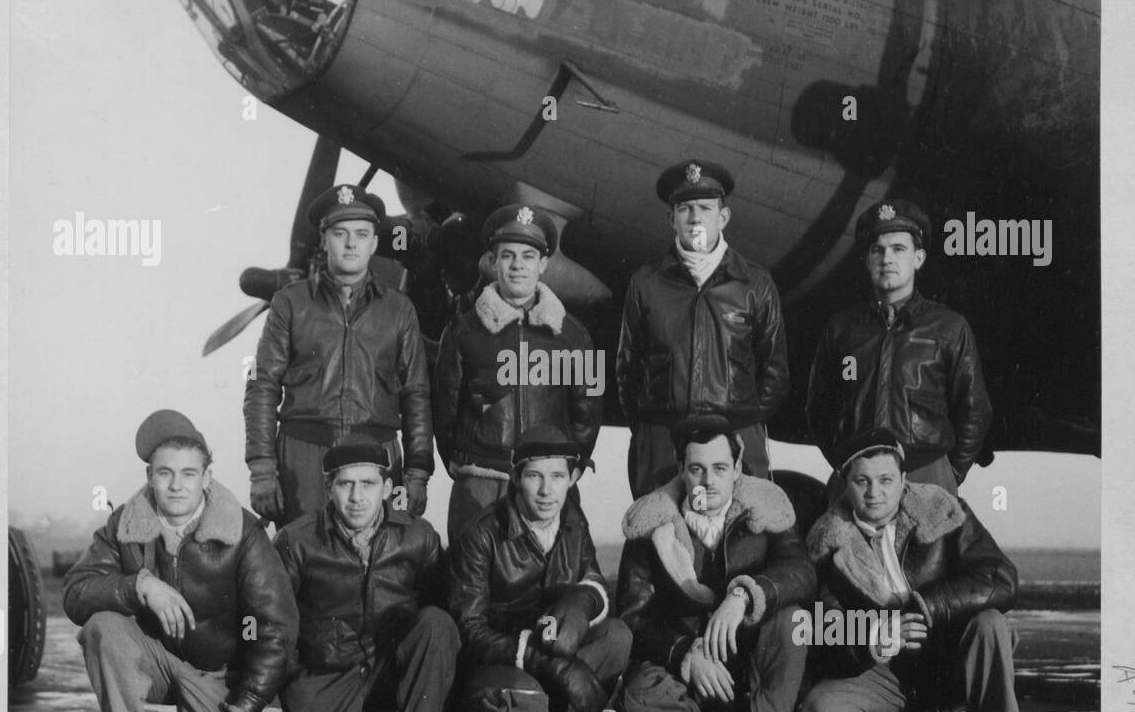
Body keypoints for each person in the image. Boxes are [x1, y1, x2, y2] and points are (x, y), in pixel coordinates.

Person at [63, 410, 297, 712]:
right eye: (164, 473)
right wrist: (138, 585)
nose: (176, 486)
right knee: (102, 626)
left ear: (206, 478)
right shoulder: (125, 523)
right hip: (153, 659)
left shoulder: (243, 531)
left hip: (214, 672)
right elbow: (75, 592)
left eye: (188, 474)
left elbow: (277, 628)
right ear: (149, 478)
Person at [798, 428, 1036, 712]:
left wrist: (927, 606)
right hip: (887, 674)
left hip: (948, 661)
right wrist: (872, 638)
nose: (874, 492)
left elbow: (1001, 578)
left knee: (991, 623)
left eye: (886, 480)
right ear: (846, 485)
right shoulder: (828, 542)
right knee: (820, 707)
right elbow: (825, 627)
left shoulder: (943, 512)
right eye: (862, 481)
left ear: (904, 480)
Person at [618, 416, 816, 712]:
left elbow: (801, 571)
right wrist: (685, 652)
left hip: (747, 668)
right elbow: (632, 615)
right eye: (697, 469)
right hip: (687, 670)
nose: (708, 481)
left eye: (720, 468)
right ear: (681, 471)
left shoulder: (768, 509)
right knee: (639, 690)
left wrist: (746, 594)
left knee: (793, 621)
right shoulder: (651, 521)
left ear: (738, 468)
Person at [269, 434, 459, 712]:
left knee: (437, 624)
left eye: (368, 484)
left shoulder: (418, 536)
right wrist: (298, 693)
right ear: (328, 488)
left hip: (389, 669)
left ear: (387, 487)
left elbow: (443, 626)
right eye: (345, 484)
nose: (357, 497)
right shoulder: (295, 542)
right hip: (329, 672)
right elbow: (273, 625)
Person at [448, 427, 631, 712]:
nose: (547, 491)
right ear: (516, 478)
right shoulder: (482, 533)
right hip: (496, 662)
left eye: (557, 476)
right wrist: (540, 658)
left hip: (548, 647)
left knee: (616, 636)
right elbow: (467, 629)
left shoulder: (573, 519)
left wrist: (580, 604)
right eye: (534, 476)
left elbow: (592, 577)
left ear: (573, 478)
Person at [244, 183, 434, 527]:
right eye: (340, 233)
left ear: (375, 242)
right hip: (303, 457)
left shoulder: (399, 309)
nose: (351, 243)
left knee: (378, 565)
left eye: (361, 234)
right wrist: (261, 468)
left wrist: (418, 471)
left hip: (378, 456)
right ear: (324, 239)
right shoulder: (290, 303)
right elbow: (261, 386)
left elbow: (416, 393)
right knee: (300, 559)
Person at [616, 159, 789, 497]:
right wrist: (653, 430)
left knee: (743, 543)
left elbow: (775, 373)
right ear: (672, 218)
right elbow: (627, 371)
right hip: (663, 443)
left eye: (705, 208)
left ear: (722, 217)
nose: (695, 218)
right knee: (659, 539)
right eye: (685, 209)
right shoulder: (646, 283)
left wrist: (738, 426)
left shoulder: (754, 283)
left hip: (736, 438)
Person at [433, 204, 603, 542]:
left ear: (543, 264)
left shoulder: (576, 334)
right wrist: (466, 464)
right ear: (493, 262)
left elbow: (590, 405)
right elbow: (445, 408)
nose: (517, 265)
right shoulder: (460, 332)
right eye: (507, 255)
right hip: (481, 481)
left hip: (547, 481)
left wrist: (575, 464)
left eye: (527, 256)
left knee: (555, 581)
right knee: (473, 582)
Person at [805, 198, 992, 497]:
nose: (886, 259)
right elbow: (818, 408)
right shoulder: (842, 328)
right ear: (867, 260)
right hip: (858, 474)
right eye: (877, 250)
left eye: (898, 249)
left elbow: (975, 410)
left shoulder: (949, 327)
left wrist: (948, 473)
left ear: (918, 258)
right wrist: (844, 462)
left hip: (926, 474)